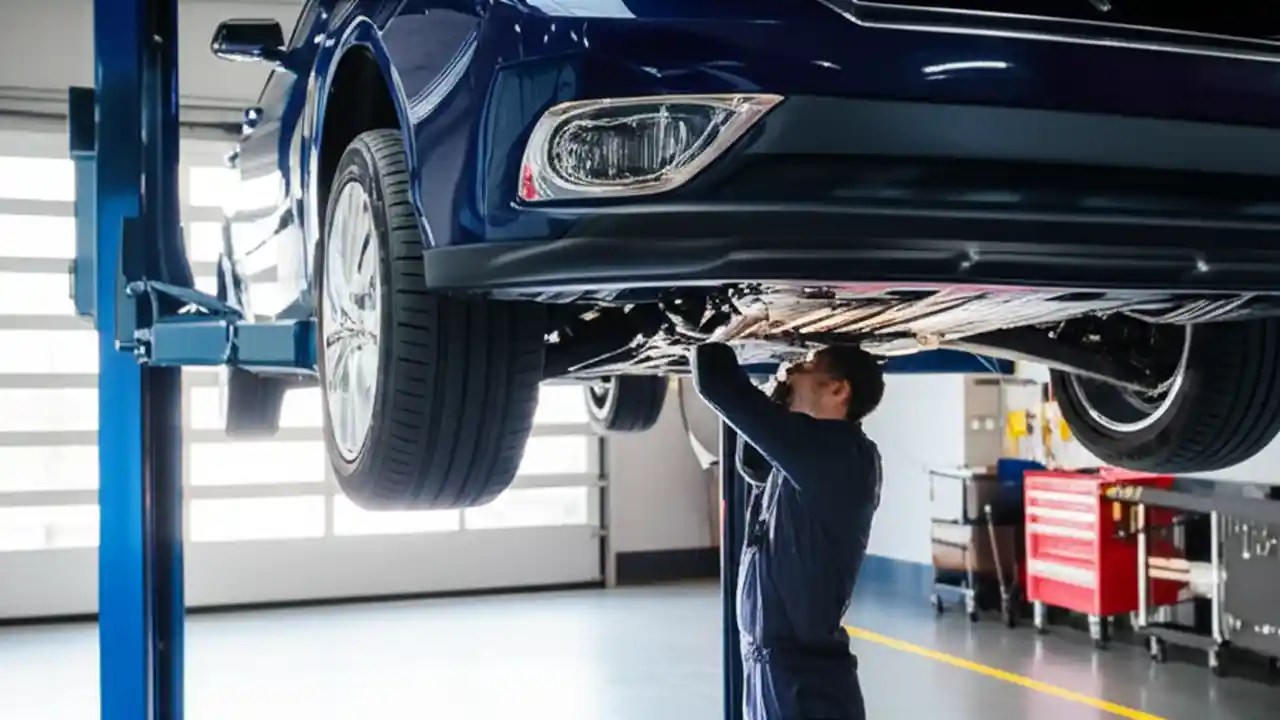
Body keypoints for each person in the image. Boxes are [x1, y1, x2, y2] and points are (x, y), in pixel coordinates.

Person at [691, 341, 886, 720]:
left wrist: (705, 318)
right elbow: (753, 465)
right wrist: (778, 394)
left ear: (838, 389)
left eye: (806, 365)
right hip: (780, 674)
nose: (792, 370)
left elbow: (715, 381)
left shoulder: (836, 455)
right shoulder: (815, 455)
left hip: (803, 683)